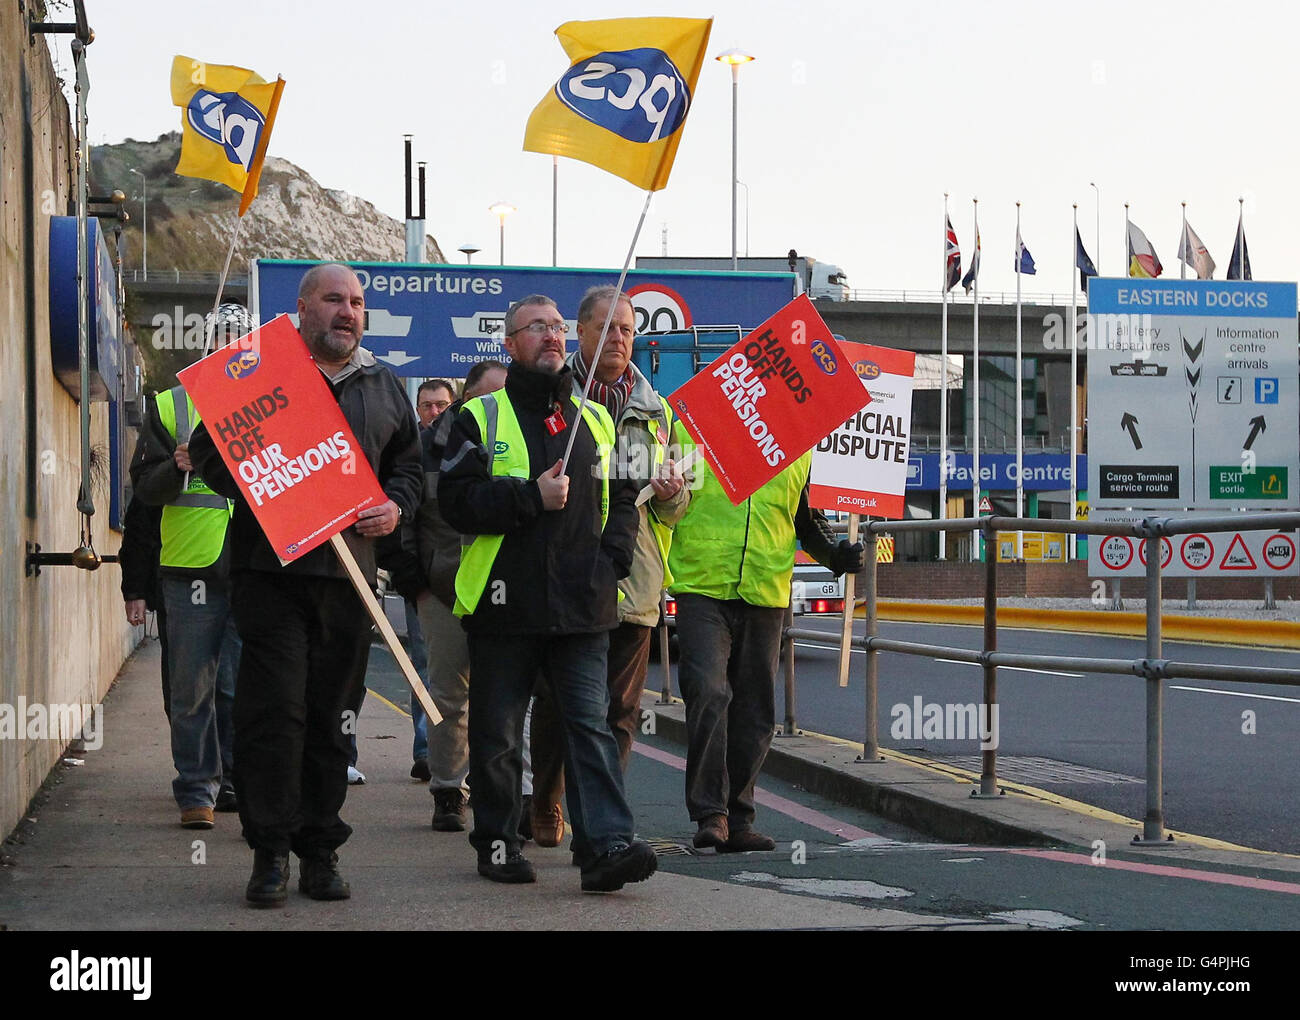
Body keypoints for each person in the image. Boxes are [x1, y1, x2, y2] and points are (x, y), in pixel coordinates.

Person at [188, 263, 422, 906]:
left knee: (331, 718)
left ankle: (320, 849)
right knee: (276, 713)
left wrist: (393, 506)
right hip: (273, 574)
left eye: (357, 302)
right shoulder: (260, 371)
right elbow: (209, 455)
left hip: (349, 580)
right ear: (301, 307)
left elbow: (409, 468)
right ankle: (270, 853)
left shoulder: (384, 385)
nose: (348, 311)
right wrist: (271, 489)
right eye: (333, 299)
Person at [438, 294, 656, 891]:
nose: (551, 336)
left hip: (582, 607)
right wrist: (529, 498)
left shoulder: (598, 420)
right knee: (499, 733)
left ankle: (605, 846)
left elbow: (625, 504)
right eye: (536, 328)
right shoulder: (477, 419)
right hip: (504, 605)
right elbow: (455, 502)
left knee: (590, 727)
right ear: (509, 345)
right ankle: (501, 843)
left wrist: (609, 564)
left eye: (557, 327)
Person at [529, 286, 688, 847]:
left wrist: (671, 491)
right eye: (606, 328)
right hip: (568, 576)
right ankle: (545, 801)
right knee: (557, 703)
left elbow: (676, 504)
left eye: (626, 329)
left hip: (635, 581)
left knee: (621, 711)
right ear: (581, 332)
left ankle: (600, 830)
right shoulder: (551, 395)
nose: (618, 338)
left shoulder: (657, 410)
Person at [668, 449, 863, 852]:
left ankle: (739, 818)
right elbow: (664, 503)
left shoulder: (798, 448)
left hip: (765, 590)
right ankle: (711, 814)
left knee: (755, 709)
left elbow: (807, 521)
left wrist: (835, 555)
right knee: (706, 692)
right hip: (702, 584)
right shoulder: (693, 426)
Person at [129, 304, 248, 830]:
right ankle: (196, 789)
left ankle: (238, 783)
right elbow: (145, 494)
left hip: (254, 567)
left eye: (238, 340)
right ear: (204, 345)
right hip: (189, 569)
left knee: (242, 686)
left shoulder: (277, 402)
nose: (228, 348)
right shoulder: (171, 406)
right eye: (220, 338)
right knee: (192, 688)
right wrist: (174, 467)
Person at [119, 489, 170, 720]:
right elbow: (140, 526)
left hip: (242, 590)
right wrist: (135, 590)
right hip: (177, 590)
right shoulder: (169, 456)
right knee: (185, 692)